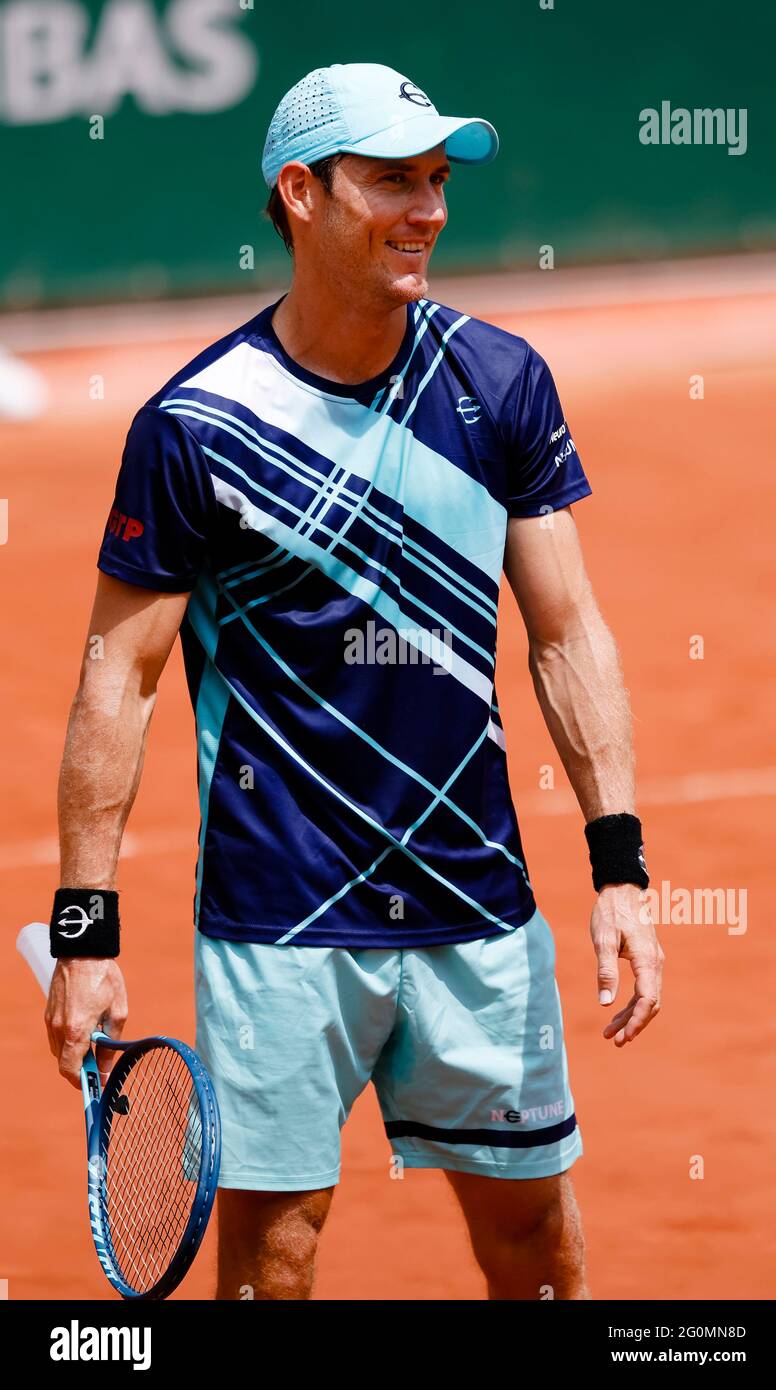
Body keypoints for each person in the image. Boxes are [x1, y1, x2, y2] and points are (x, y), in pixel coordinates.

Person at [45, 63, 664, 1301]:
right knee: (274, 1267)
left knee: (533, 1246)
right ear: (299, 192)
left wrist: (621, 867)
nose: (427, 208)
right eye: (391, 179)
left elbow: (567, 635)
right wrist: (83, 929)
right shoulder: (197, 427)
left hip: (474, 904)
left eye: (437, 181)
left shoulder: (500, 383)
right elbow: (120, 679)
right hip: (280, 919)